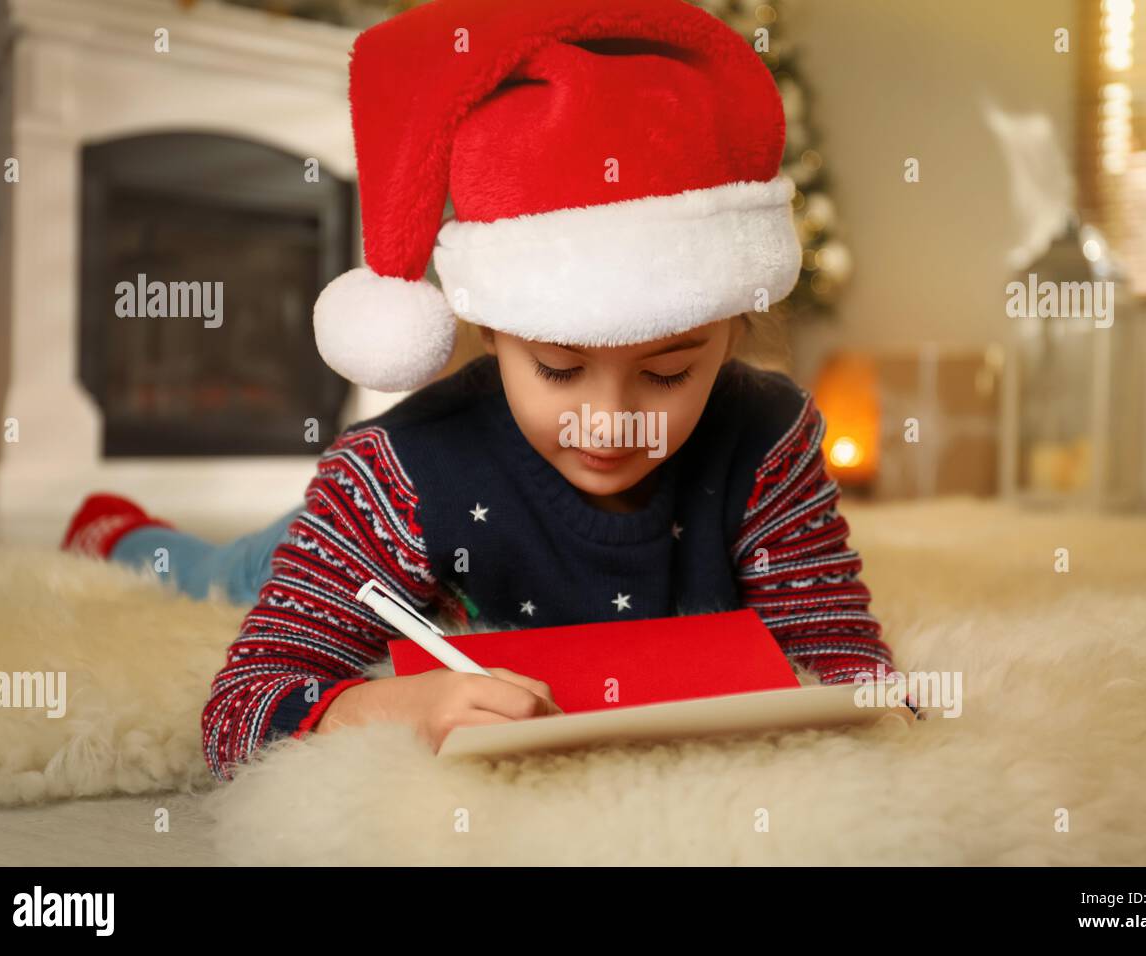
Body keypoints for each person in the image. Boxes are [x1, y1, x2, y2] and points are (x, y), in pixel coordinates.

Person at [61, 0, 902, 781]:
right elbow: (239, 712)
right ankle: (119, 534)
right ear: (493, 332)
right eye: (561, 370)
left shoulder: (768, 436)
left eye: (670, 371)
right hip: (342, 548)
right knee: (216, 569)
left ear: (731, 336)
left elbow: (836, 646)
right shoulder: (393, 476)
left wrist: (868, 703)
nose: (610, 423)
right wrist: (386, 705)